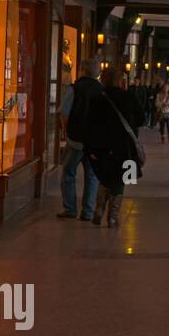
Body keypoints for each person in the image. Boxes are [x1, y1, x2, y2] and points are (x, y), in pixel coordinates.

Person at [85, 71, 144, 227]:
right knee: (122, 180)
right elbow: (142, 119)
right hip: (126, 148)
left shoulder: (97, 99)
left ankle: (98, 210)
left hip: (102, 147)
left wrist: (92, 148)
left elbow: (89, 124)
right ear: (120, 81)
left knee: (104, 177)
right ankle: (112, 217)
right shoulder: (129, 97)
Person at [55, 59, 102, 221]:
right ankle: (88, 212)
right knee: (92, 176)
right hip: (94, 141)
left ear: (82, 70)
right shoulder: (101, 90)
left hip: (75, 140)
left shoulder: (74, 89)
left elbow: (64, 113)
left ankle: (70, 209)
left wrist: (66, 131)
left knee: (68, 173)